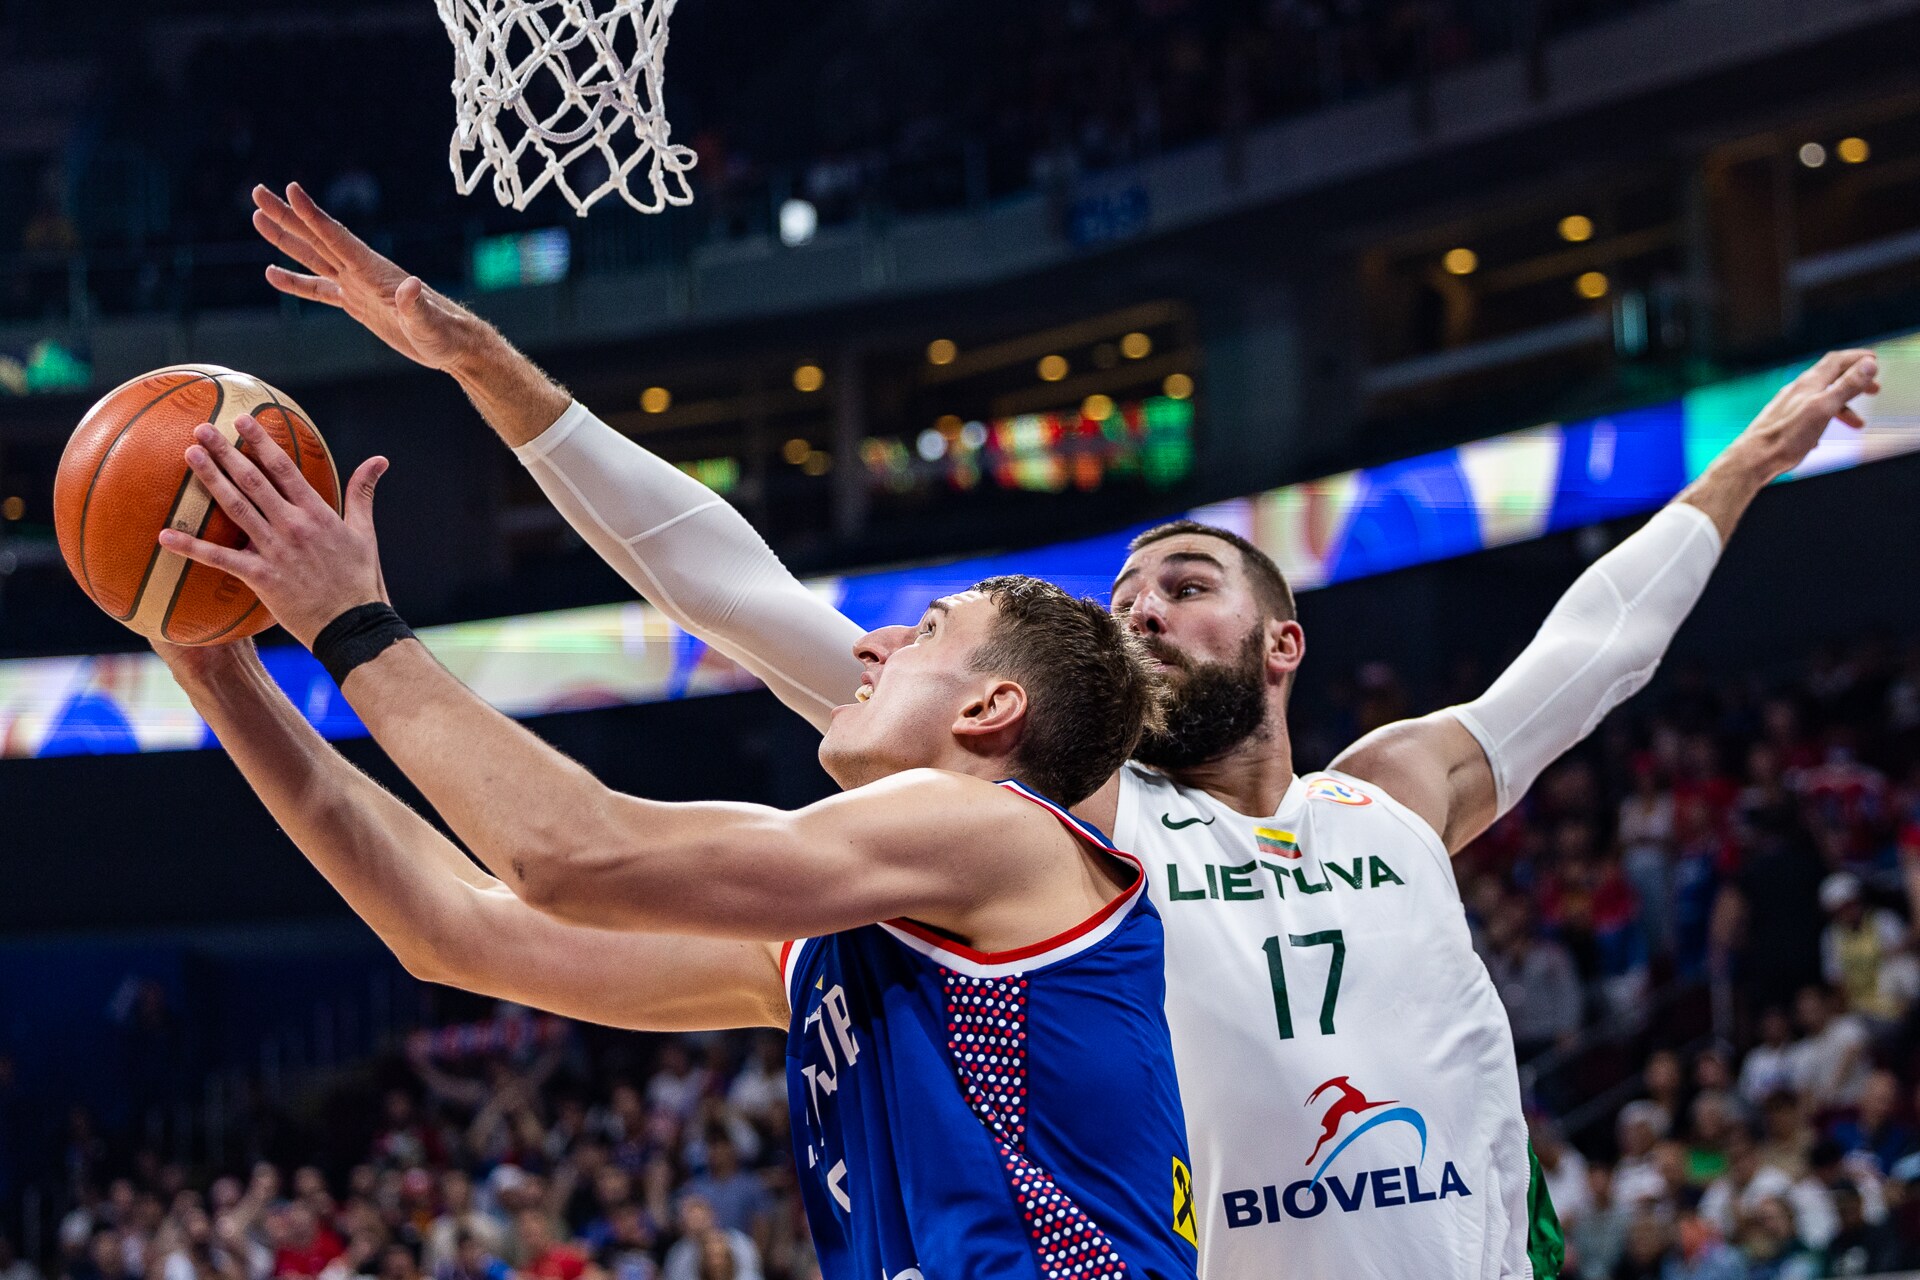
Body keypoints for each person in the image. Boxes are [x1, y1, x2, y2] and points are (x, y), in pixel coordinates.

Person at [247, 181, 1881, 1279]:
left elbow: (1591, 648)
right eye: (1123, 596)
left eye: (1181, 583)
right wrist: (492, 370)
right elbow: (722, 581)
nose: (1146, 610)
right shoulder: (1073, 815)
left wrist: (1742, 467)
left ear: (1284, 641)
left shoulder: (1396, 795)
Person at [148, 414, 1193, 1280]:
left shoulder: (1000, 830)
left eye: (924, 628)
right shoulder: (843, 943)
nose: (872, 643)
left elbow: (573, 851)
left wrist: (351, 623)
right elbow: (453, 928)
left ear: (993, 705)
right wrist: (218, 674)